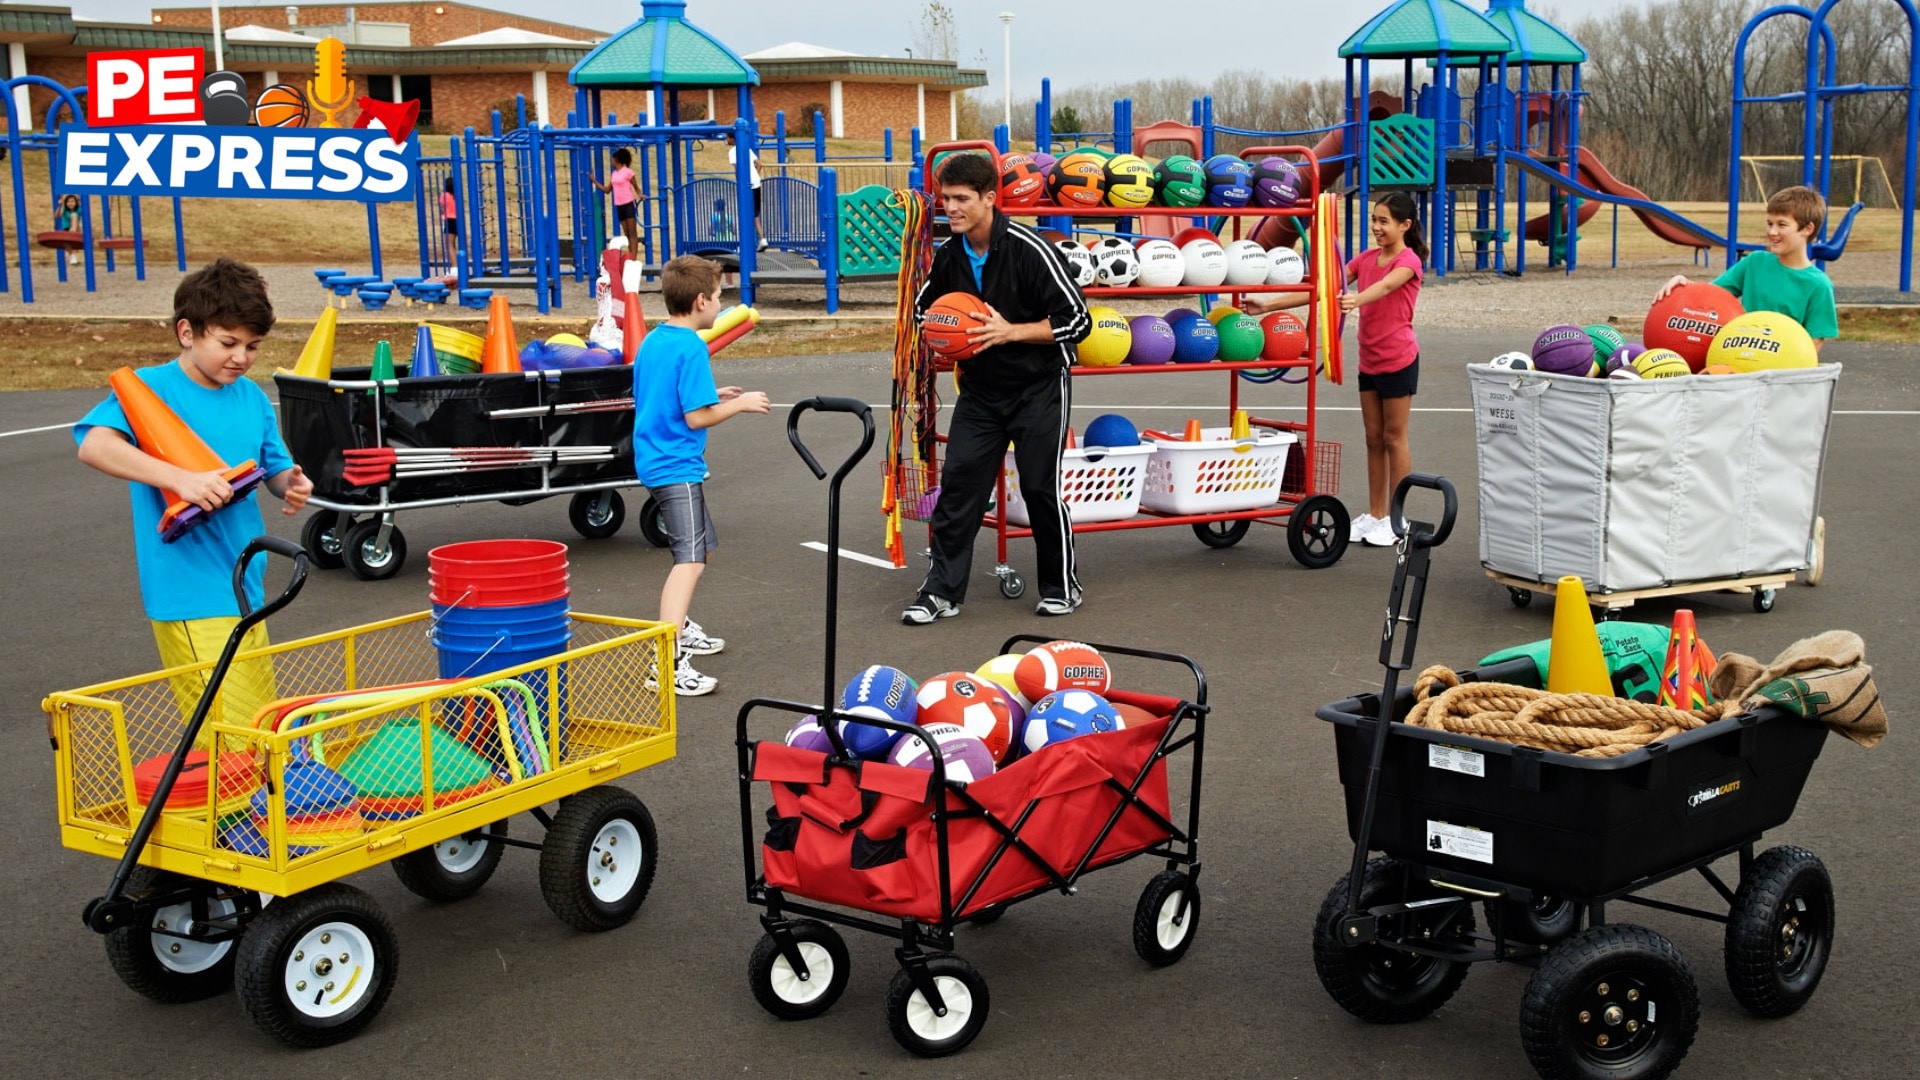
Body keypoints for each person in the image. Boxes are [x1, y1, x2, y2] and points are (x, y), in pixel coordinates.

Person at [74, 257, 313, 733]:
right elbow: (94, 445)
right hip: (189, 591)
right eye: (228, 343)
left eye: (252, 346)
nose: (241, 357)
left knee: (254, 724)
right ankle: (230, 809)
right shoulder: (150, 388)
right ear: (188, 332)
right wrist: (181, 479)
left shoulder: (249, 396)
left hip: (244, 580)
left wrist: (292, 483)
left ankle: (242, 807)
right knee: (230, 731)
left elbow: (274, 465)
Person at [903, 151, 1091, 625]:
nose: (952, 207)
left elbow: (1079, 320)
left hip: (1039, 386)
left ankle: (1060, 585)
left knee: (1038, 487)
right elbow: (924, 310)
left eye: (962, 198)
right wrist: (942, 335)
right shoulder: (949, 256)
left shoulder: (1032, 251)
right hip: (982, 392)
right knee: (959, 487)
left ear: (990, 198)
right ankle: (941, 592)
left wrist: (1011, 331)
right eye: (945, 198)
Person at [1246, 191, 1425, 548]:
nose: (1376, 227)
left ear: (1405, 225)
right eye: (1374, 220)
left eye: (1384, 221)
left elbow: (1387, 285)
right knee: (1373, 439)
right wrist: (1268, 304)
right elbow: (1322, 289)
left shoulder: (1409, 261)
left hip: (1399, 359)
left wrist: (1356, 298)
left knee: (1394, 438)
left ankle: (1396, 518)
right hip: (1370, 360)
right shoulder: (1367, 258)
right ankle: (1375, 515)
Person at [631, 255, 770, 695]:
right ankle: (664, 662)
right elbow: (695, 418)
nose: (721, 303)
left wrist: (715, 394)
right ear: (699, 302)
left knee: (700, 550)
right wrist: (739, 402)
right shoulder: (691, 346)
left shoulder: (655, 340)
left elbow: (666, 396)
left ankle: (681, 625)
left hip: (655, 458)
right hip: (675, 465)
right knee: (688, 562)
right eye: (717, 297)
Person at [1656, 184, 1837, 349]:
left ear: (1807, 229)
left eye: (1781, 224)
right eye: (1769, 223)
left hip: (1780, 373)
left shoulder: (1819, 285)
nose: (1772, 232)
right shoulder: (1755, 262)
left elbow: (1812, 347)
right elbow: (1711, 296)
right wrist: (1686, 285)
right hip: (1740, 359)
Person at [594, 148, 645, 254]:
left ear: (617, 159)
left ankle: (633, 260)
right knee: (627, 233)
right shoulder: (614, 174)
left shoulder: (628, 172)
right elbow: (607, 190)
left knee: (632, 233)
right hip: (619, 205)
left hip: (628, 204)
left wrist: (640, 194)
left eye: (612, 159)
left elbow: (635, 186)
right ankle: (630, 256)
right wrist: (594, 180)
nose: (611, 161)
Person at [724, 131, 766, 251]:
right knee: (755, 214)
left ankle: (746, 245)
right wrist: (755, 176)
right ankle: (762, 239)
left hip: (747, 186)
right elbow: (759, 164)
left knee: (746, 213)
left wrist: (741, 183)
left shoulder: (733, 152)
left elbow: (737, 170)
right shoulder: (746, 149)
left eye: (727, 137)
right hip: (756, 183)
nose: (726, 139)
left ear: (732, 139)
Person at [55, 193, 80, 265]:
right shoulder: (64, 209)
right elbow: (57, 215)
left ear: (76, 202)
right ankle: (72, 256)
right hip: (66, 230)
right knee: (65, 241)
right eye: (68, 202)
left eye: (72, 202)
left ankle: (73, 231)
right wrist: (61, 205)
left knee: (74, 215)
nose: (70, 204)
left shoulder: (79, 209)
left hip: (76, 229)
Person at [440, 177, 459, 254]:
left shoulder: (444, 195)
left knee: (449, 245)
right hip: (458, 220)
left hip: (449, 220)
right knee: (454, 244)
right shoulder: (457, 196)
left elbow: (442, 208)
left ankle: (455, 265)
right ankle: (459, 263)